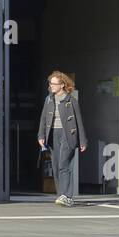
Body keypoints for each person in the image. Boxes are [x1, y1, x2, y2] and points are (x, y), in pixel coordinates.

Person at [37, 70, 86, 206]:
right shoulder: (49, 99)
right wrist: (41, 135)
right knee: (56, 165)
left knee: (64, 164)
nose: (51, 86)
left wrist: (82, 140)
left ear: (62, 85)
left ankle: (67, 196)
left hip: (67, 135)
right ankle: (61, 194)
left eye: (54, 83)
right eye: (50, 83)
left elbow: (79, 122)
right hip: (52, 134)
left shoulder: (71, 100)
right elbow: (43, 119)